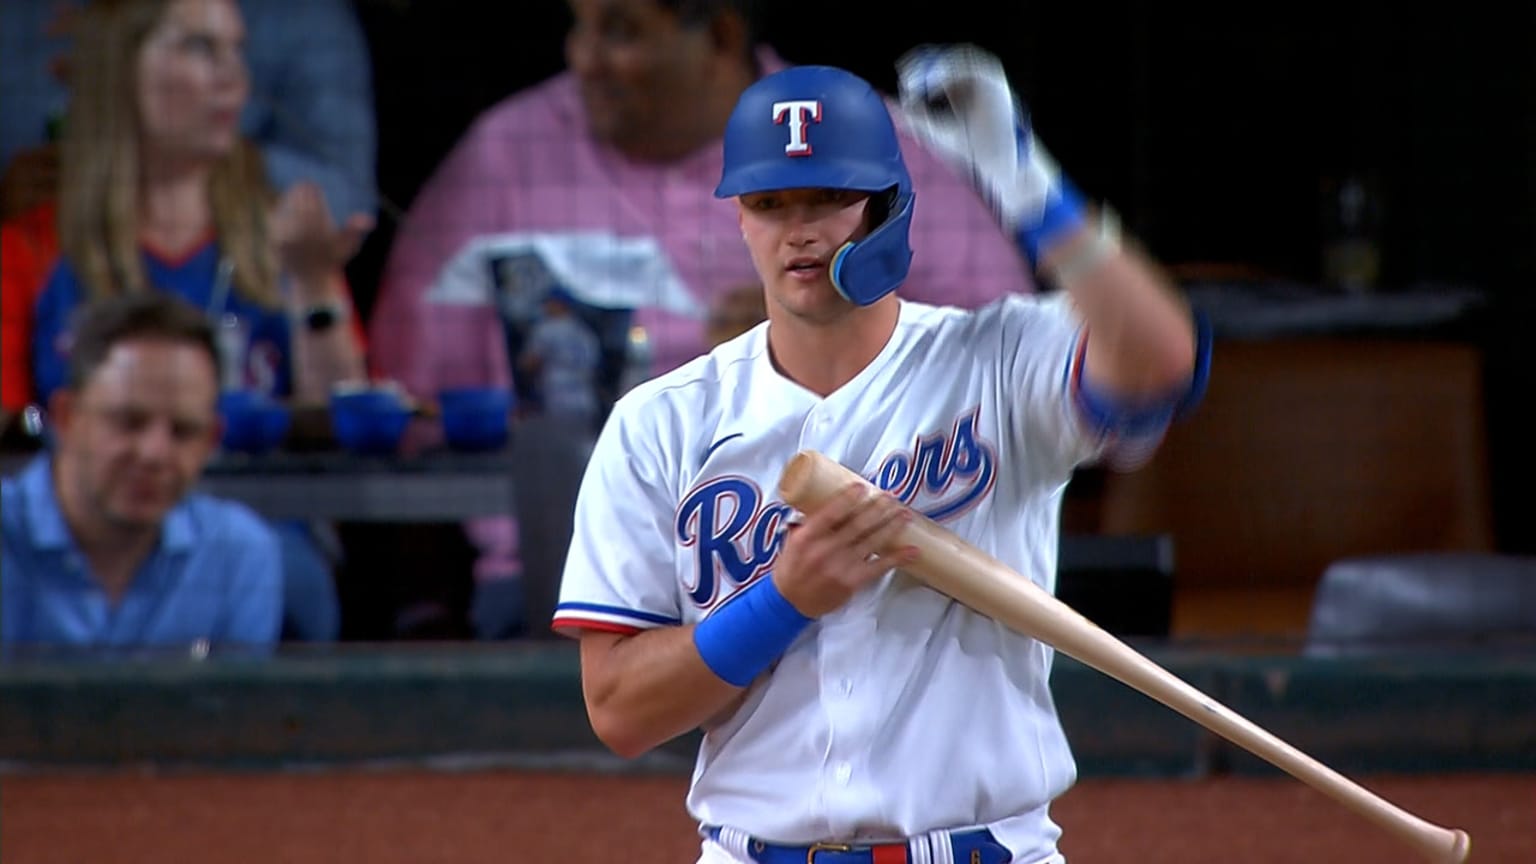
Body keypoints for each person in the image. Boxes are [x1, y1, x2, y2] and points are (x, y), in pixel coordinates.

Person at [551, 48, 1211, 864]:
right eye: (769, 201)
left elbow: (1161, 359)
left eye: (829, 197)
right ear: (740, 218)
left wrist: (1021, 177)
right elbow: (618, 710)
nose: (799, 228)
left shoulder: (997, 359)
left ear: (889, 208)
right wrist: (783, 600)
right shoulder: (660, 423)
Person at [368, 0, 1034, 639]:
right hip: (566, 585)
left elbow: (1008, 370)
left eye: (620, 31)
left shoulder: (861, 134)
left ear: (718, 35)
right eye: (580, 26)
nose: (585, 59)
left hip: (855, 580)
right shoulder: (505, 156)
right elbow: (402, 406)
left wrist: (831, 324)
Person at [0, 0, 371, 642]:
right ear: (123, 71)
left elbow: (346, 420)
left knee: (286, 572)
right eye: (200, 49)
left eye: (236, 52)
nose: (235, 78)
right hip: (81, 540)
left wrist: (313, 283)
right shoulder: (31, 249)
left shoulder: (279, 238)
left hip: (259, 537)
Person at [2, 292, 282, 653]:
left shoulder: (237, 555)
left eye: (183, 431)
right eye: (128, 423)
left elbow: (238, 709)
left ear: (211, 441)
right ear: (66, 419)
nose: (154, 453)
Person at [0, 0, 377, 225]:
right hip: (35, 277)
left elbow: (349, 202)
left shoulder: (302, 15)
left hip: (223, 301)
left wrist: (191, 156)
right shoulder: (19, 14)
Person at [517, 287, 603, 428]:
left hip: (556, 398)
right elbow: (596, 366)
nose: (545, 307)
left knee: (558, 446)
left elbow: (529, 364)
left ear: (559, 304)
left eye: (549, 302)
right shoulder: (585, 332)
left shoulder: (546, 329)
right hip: (585, 399)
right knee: (582, 447)